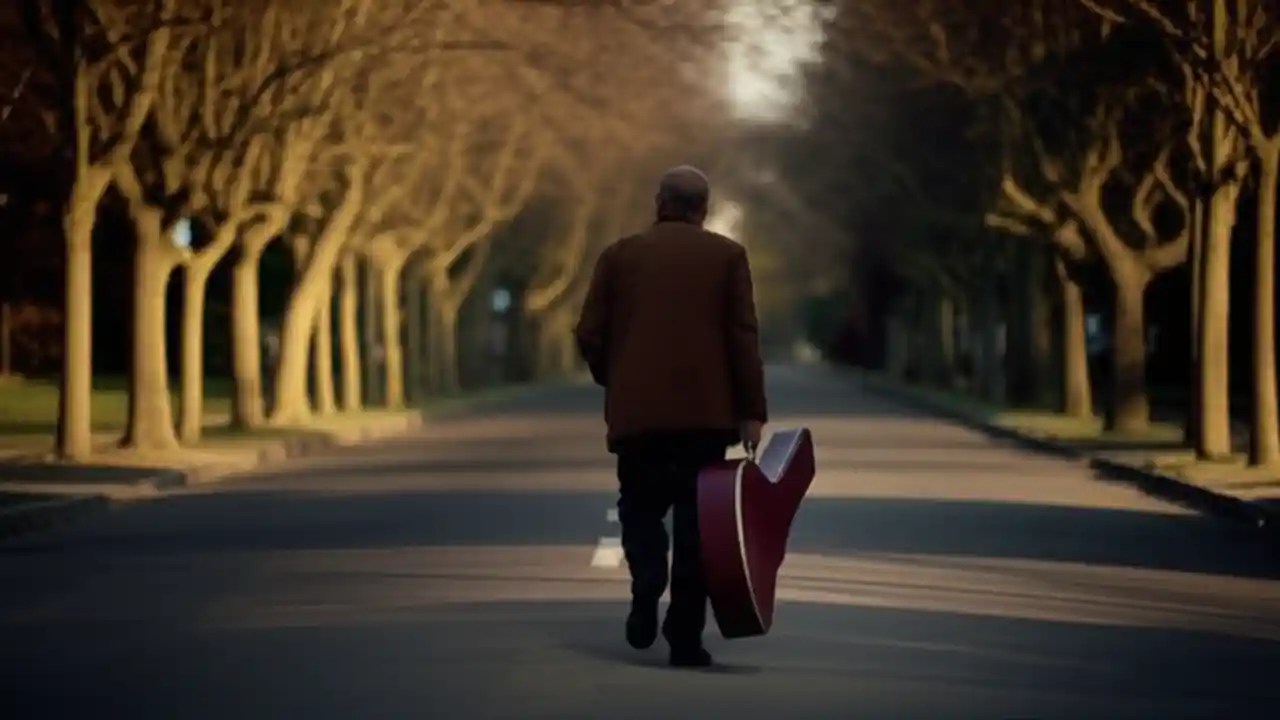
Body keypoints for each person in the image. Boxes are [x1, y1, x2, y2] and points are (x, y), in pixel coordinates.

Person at [574, 165, 768, 668]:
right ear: (703, 209)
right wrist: (751, 412)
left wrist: (613, 376)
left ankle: (646, 584)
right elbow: (743, 337)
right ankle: (685, 638)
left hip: (639, 415)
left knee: (639, 505)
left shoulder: (619, 256)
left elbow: (589, 333)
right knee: (697, 527)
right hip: (706, 418)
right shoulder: (728, 258)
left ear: (659, 202)